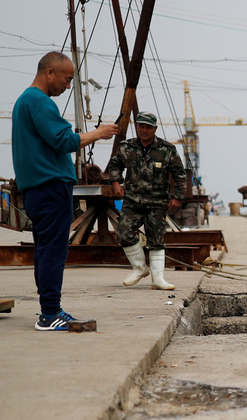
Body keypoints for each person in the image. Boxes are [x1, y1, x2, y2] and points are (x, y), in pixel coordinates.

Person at [10, 51, 117, 330]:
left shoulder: (24, 101)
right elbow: (63, 140)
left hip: (38, 188)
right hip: (50, 187)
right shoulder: (39, 102)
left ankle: (51, 309)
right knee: (53, 251)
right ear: (50, 73)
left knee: (47, 249)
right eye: (67, 79)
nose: (68, 86)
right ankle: (49, 314)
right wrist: (99, 133)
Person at [103, 110, 188, 291]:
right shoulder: (127, 147)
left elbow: (180, 175)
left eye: (148, 127)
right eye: (141, 126)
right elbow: (115, 164)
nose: (144, 130)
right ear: (137, 126)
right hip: (132, 200)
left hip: (157, 202)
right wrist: (116, 183)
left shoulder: (167, 150)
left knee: (156, 239)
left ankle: (158, 279)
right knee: (123, 233)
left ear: (155, 128)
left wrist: (178, 198)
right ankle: (140, 268)